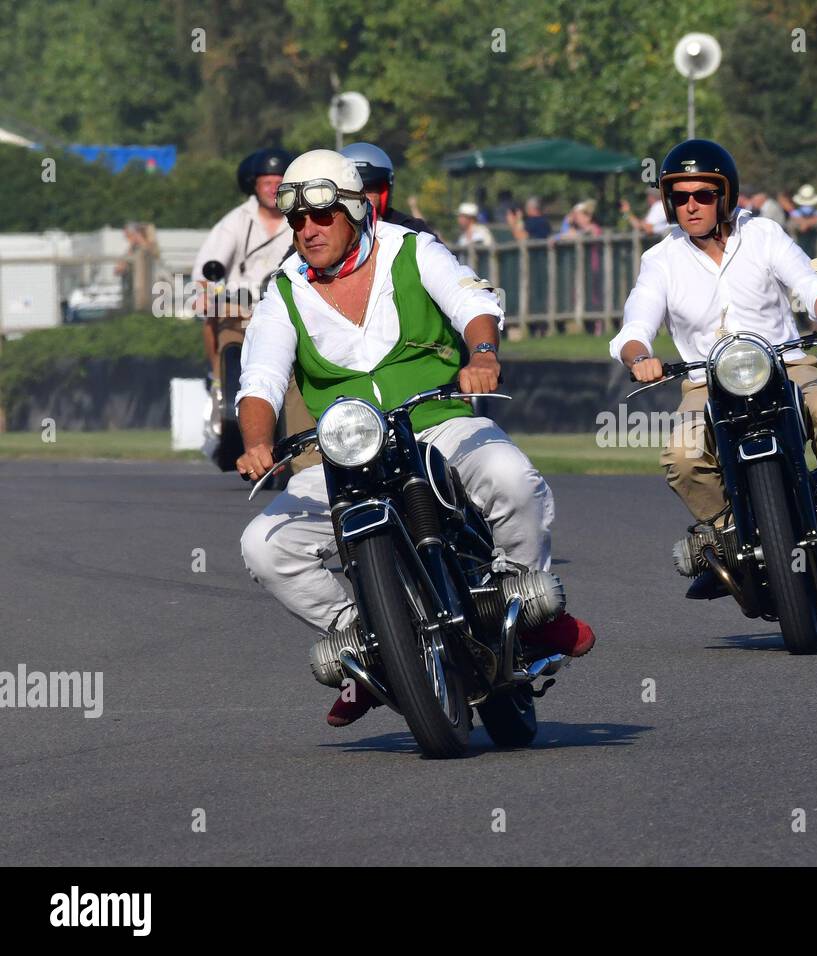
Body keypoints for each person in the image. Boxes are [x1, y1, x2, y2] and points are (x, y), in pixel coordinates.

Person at [235, 149, 594, 728]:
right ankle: (369, 646)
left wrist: (481, 355)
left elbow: (473, 302)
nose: (308, 230)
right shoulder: (283, 293)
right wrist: (256, 443)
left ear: (353, 210)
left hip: (439, 422)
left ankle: (524, 607)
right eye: (297, 220)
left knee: (511, 478)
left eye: (321, 216)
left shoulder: (411, 249)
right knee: (265, 545)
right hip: (349, 454)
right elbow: (261, 380)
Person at [610, 139, 817, 598]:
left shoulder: (763, 235)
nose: (691, 206)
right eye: (679, 197)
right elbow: (635, 325)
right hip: (706, 381)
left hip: (784, 363)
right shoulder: (660, 261)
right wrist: (639, 357)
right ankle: (725, 532)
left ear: (726, 196)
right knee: (682, 456)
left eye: (703, 195)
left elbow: (810, 283)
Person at [192, 147, 294, 369]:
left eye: (280, 183)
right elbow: (206, 272)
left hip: (286, 312)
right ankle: (221, 383)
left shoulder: (301, 220)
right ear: (255, 186)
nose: (273, 189)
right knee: (220, 327)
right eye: (267, 183)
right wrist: (206, 296)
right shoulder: (235, 221)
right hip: (239, 312)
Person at [340, 142, 439, 236]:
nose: (360, 197)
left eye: (369, 189)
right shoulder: (327, 229)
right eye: (351, 191)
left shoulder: (412, 230)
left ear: (383, 192)